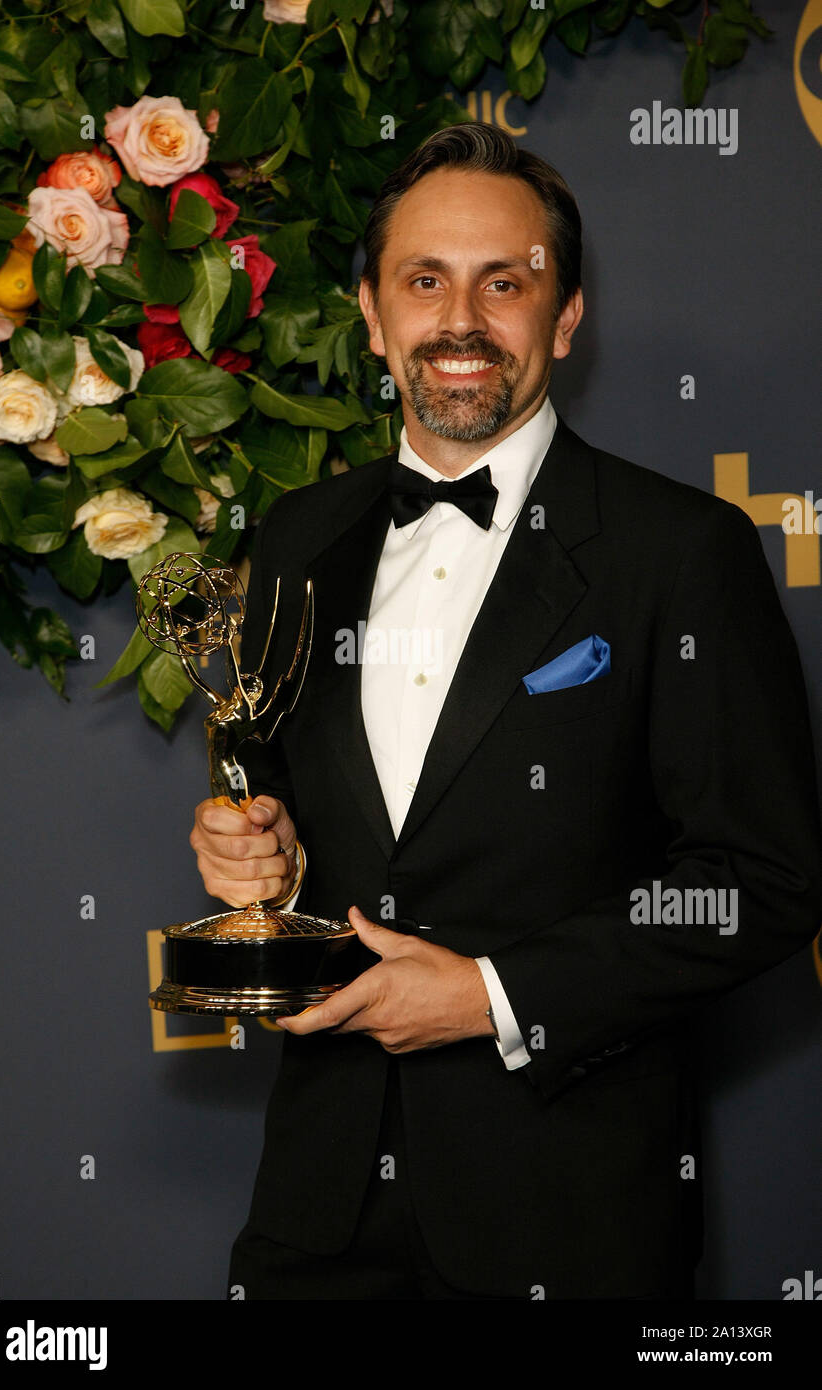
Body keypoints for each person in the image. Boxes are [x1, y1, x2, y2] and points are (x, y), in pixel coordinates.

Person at [189, 122, 822, 1300]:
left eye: (506, 282)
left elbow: (761, 874)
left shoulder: (678, 552)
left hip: (567, 1216)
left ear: (565, 317)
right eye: (424, 280)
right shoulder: (295, 539)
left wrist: (491, 996)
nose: (461, 321)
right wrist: (251, 856)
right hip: (314, 1214)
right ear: (372, 317)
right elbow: (283, 808)